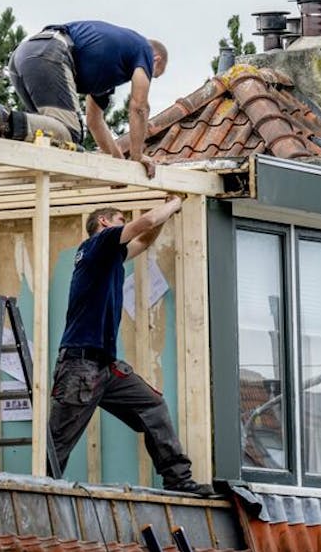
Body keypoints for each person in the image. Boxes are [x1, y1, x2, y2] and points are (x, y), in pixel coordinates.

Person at [48, 195, 215, 495]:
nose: (124, 226)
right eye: (121, 220)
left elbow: (147, 239)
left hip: (105, 367)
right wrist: (176, 202)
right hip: (79, 368)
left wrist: (165, 214)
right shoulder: (97, 245)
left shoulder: (107, 257)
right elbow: (147, 222)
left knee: (152, 406)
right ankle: (37, 496)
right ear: (104, 222)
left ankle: (178, 479)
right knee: (58, 441)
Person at [0, 20, 167, 177]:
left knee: (48, 134)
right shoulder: (144, 50)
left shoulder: (106, 70)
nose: (149, 78)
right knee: (71, 134)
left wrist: (118, 165)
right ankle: (1, 119)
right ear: (155, 60)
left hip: (24, 55)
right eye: (154, 74)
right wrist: (137, 156)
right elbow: (139, 107)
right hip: (50, 52)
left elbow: (94, 121)